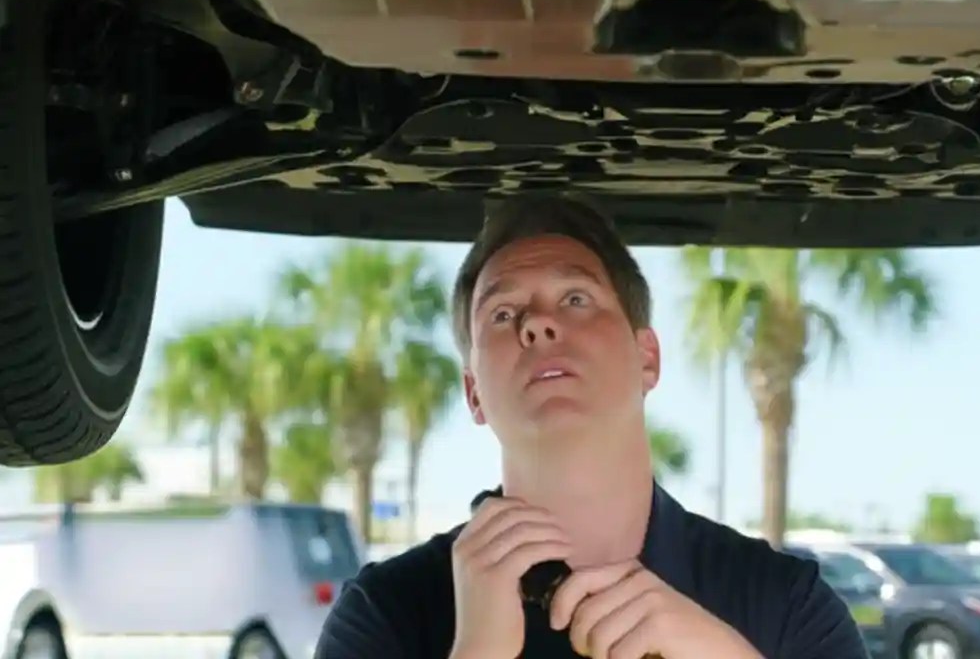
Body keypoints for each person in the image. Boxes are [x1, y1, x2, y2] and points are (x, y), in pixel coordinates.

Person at [314, 195, 868, 659]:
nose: (539, 324)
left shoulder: (788, 606)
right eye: (503, 315)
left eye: (576, 299)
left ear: (646, 357)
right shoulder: (385, 614)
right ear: (474, 392)